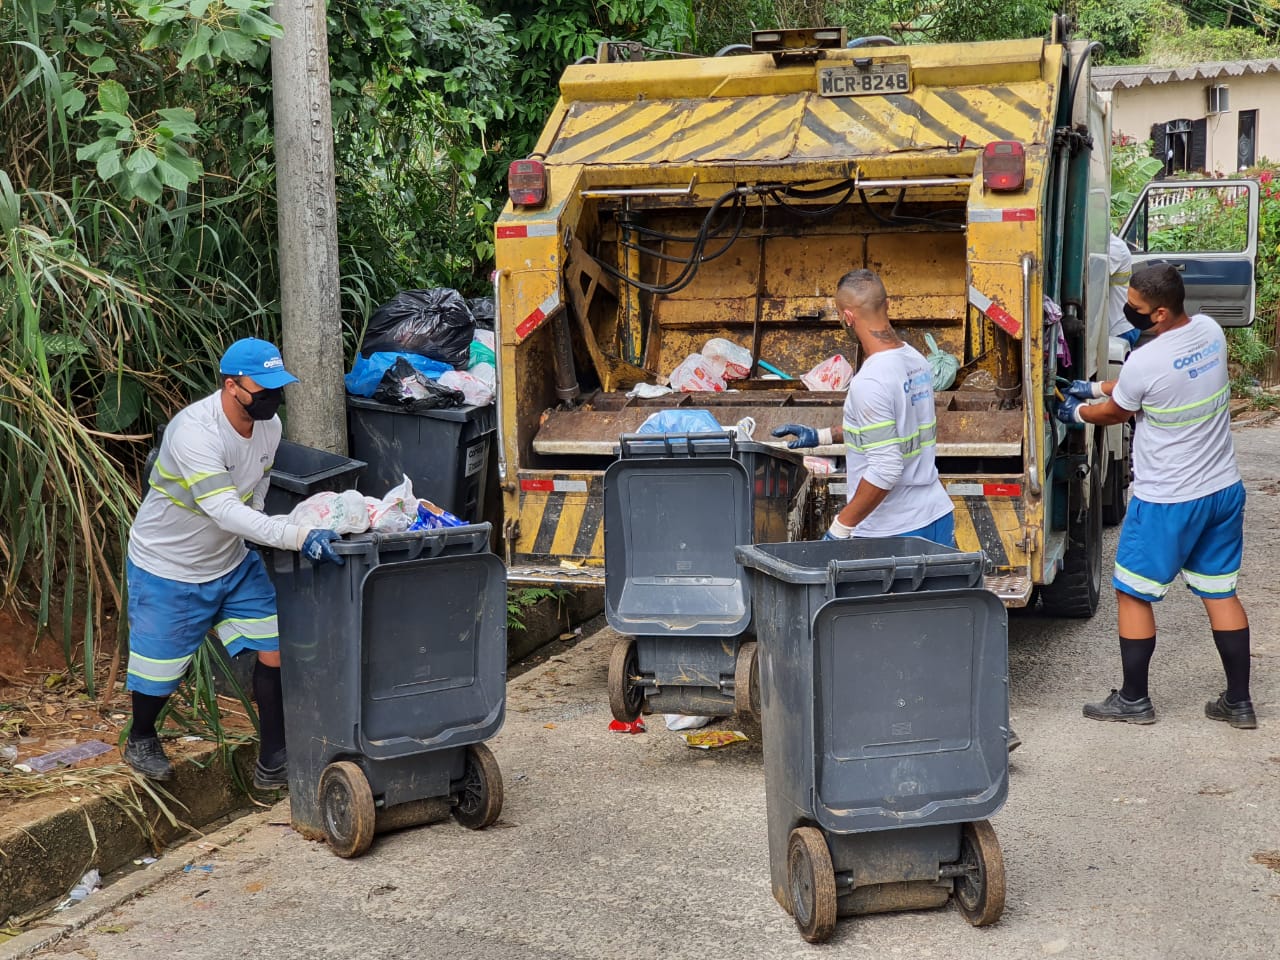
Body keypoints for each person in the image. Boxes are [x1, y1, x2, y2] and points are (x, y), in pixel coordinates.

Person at [123, 338, 346, 787]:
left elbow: (256, 489)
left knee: (276, 647)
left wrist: (260, 529)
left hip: (231, 559)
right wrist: (297, 537)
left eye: (277, 387)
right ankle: (141, 737)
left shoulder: (270, 425)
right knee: (159, 671)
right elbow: (224, 509)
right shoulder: (194, 433)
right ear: (231, 386)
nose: (272, 397)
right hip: (170, 566)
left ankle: (273, 761)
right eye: (262, 388)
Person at [1058, 264, 1254, 729]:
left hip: (1168, 499)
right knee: (1220, 591)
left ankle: (1133, 699)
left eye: (1137, 308)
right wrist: (1091, 385)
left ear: (1161, 312)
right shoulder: (1209, 331)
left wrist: (1077, 410)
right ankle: (1239, 702)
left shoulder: (1147, 361)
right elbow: (1145, 385)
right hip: (1222, 490)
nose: (1131, 312)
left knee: (1132, 593)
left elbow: (1119, 409)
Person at [772, 269, 955, 545]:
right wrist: (822, 436)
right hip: (935, 515)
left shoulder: (870, 380)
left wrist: (841, 527)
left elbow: (886, 467)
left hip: (894, 532)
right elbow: (890, 430)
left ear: (848, 317)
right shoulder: (916, 360)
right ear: (887, 304)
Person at [1107, 233, 1141, 349]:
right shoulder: (1113, 246)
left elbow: (1094, 278)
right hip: (1123, 324)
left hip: (1120, 328)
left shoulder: (1114, 248)